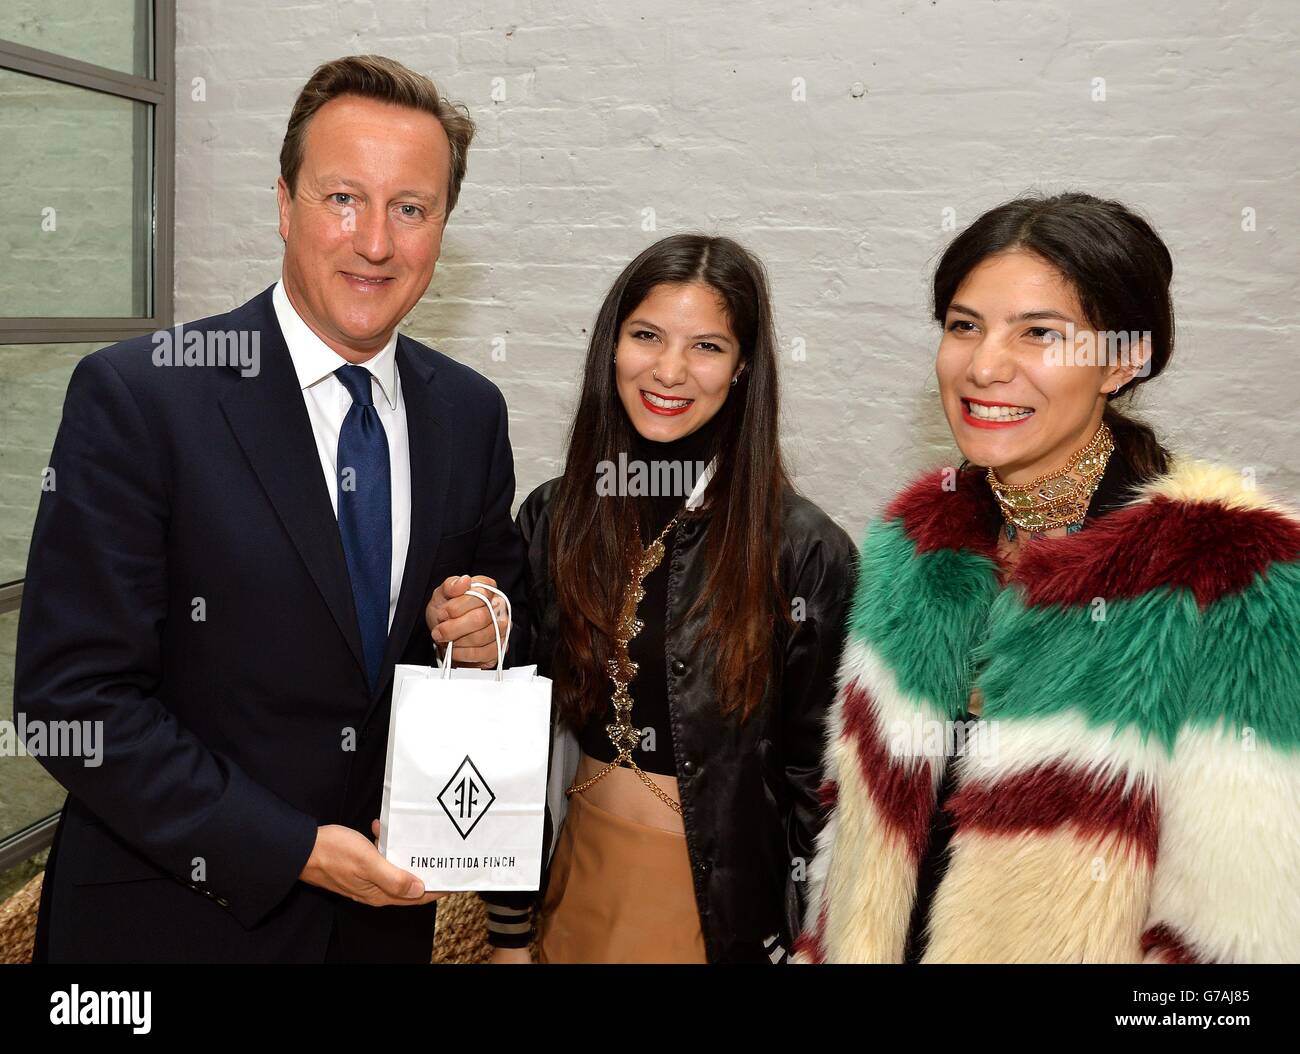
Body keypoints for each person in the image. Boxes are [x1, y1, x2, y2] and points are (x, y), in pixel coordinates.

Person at [13, 55, 525, 963]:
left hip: (377, 933)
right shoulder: (141, 398)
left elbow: (500, 616)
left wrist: (489, 628)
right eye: (341, 198)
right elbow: (74, 701)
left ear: (442, 227)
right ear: (284, 203)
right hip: (170, 926)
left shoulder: (470, 412)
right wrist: (289, 850)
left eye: (410, 208)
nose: (375, 241)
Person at [795, 192, 1300, 964]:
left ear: (1127, 358)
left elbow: (1240, 945)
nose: (985, 366)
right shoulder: (919, 545)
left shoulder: (1230, 569)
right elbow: (856, 856)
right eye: (964, 326)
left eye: (1039, 333)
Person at [452, 233, 858, 963]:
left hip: (720, 915)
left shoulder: (804, 550)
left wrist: (805, 947)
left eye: (707, 347)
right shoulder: (558, 517)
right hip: (574, 885)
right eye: (646, 336)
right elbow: (508, 731)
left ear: (742, 370)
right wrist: (510, 927)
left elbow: (817, 786)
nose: (670, 370)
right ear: (613, 346)